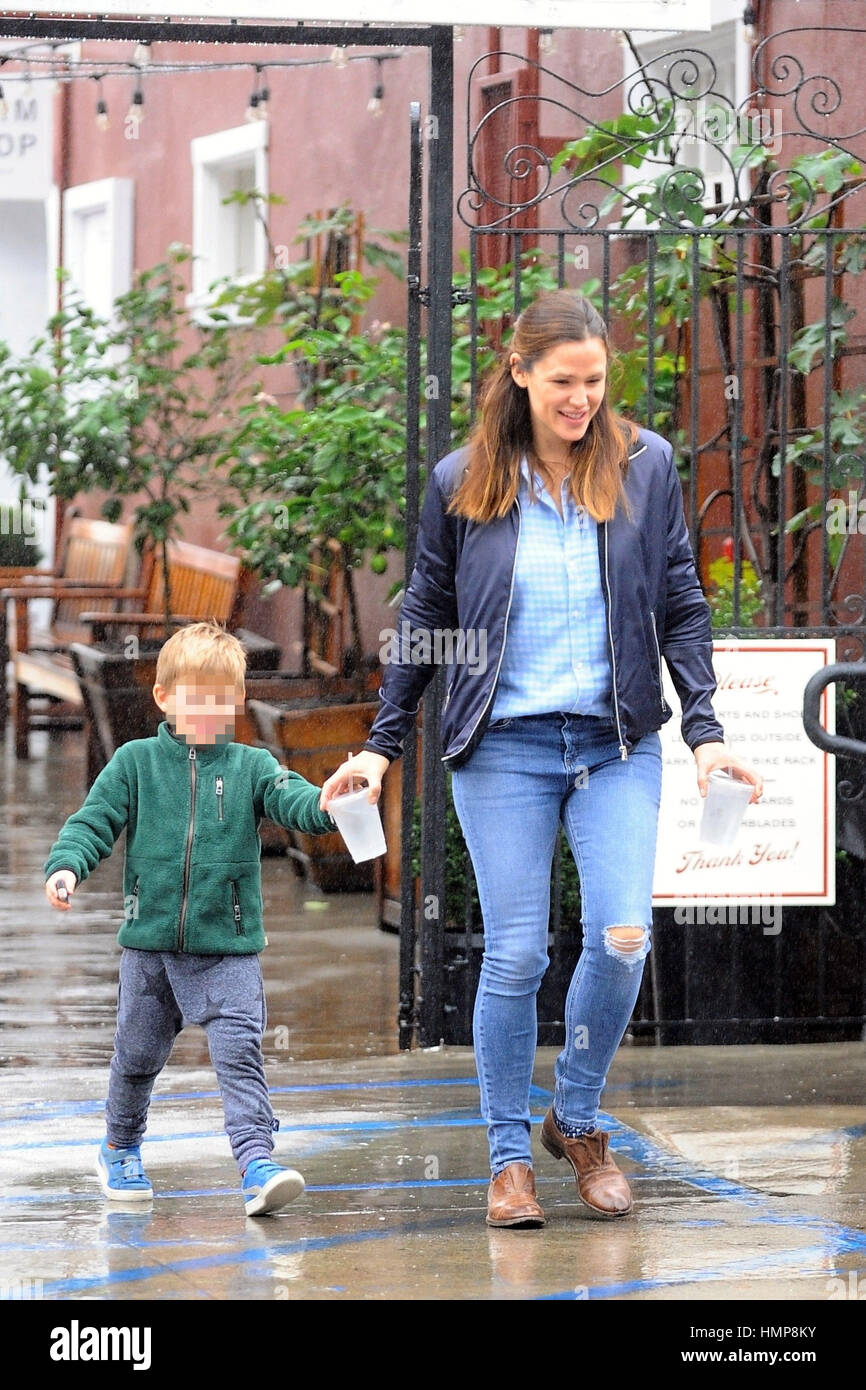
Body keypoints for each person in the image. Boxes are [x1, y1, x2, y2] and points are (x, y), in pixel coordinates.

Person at [319, 288, 763, 1229]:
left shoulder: (646, 466)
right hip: (505, 748)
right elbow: (426, 617)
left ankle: (579, 1118)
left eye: (595, 382)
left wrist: (706, 731)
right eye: (563, 381)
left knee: (622, 937)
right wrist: (381, 746)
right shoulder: (464, 480)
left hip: (613, 743)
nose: (581, 401)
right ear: (518, 372)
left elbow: (680, 597)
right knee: (515, 955)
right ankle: (510, 1158)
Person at [44, 620, 340, 1216]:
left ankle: (257, 1163)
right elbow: (93, 821)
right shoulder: (135, 763)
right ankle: (120, 1147)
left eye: (223, 699)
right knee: (135, 1057)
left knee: (240, 1053)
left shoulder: (252, 765)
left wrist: (330, 801)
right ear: (164, 697)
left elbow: (296, 800)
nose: (210, 710)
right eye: (196, 697)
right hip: (149, 950)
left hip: (227, 950)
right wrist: (68, 865)